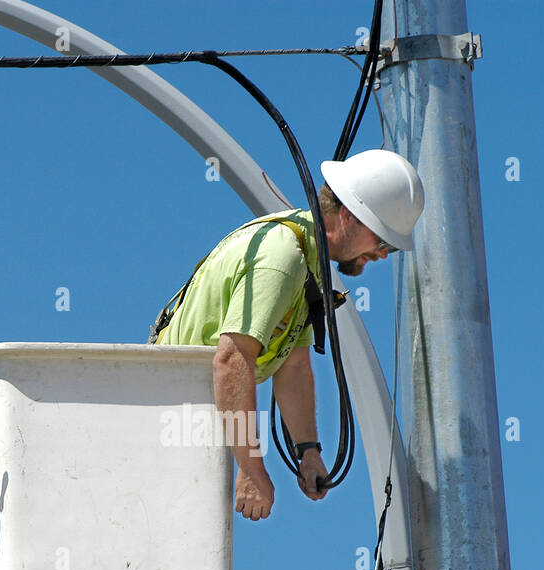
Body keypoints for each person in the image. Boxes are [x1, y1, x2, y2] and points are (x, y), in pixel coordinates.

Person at [152, 149, 425, 521]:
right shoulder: (283, 260)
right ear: (348, 216)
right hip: (166, 409)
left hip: (195, 409)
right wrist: (250, 470)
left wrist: (308, 450)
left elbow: (294, 364)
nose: (381, 254)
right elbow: (232, 360)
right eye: (383, 242)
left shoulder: (307, 258)